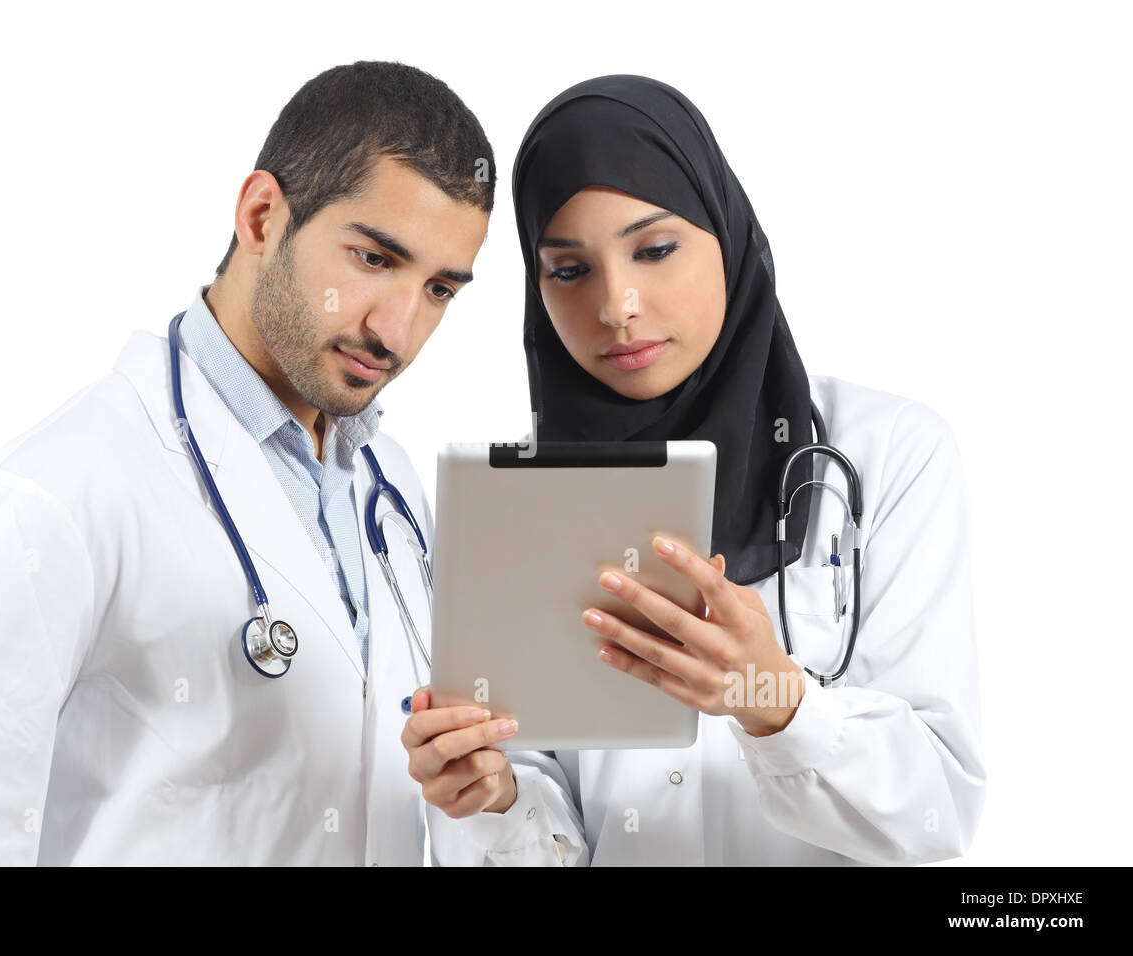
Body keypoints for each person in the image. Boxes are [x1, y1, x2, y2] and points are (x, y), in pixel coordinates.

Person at [0, 60, 495, 865]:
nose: (398, 330)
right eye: (373, 260)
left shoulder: (391, 491)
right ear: (261, 218)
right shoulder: (52, 502)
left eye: (440, 291)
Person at [404, 74, 986, 866]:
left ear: (725, 230)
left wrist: (773, 700)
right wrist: (498, 799)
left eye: (655, 249)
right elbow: (548, 840)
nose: (618, 306)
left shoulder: (887, 455)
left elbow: (937, 815)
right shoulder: (520, 503)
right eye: (569, 271)